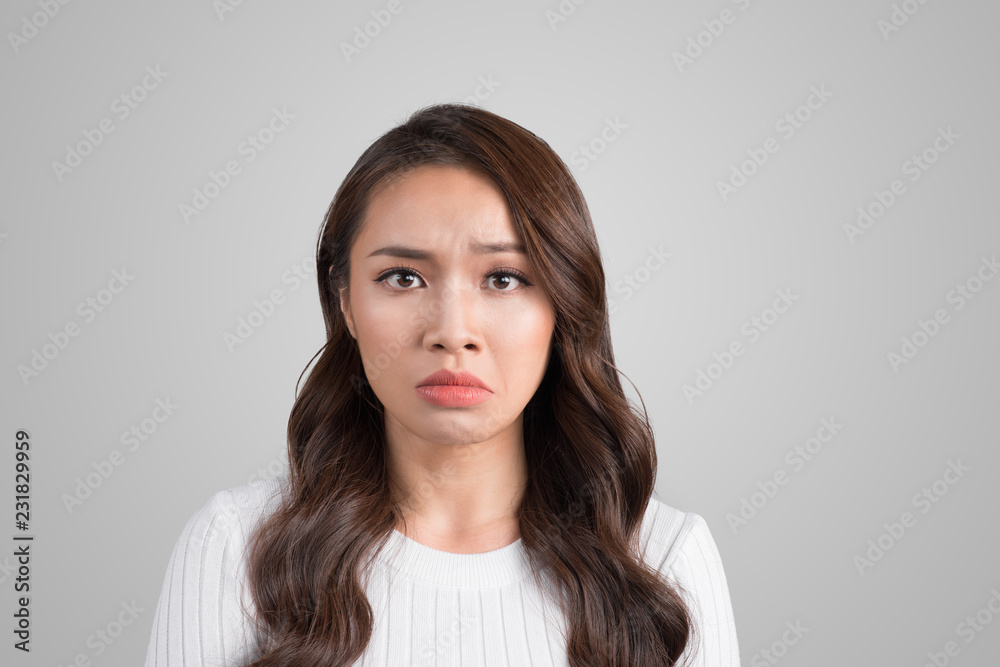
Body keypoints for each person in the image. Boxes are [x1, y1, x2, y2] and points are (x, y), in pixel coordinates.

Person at [144, 103, 740, 666]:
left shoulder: (664, 559)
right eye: (402, 278)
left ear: (563, 304)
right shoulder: (237, 550)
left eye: (504, 279)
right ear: (345, 301)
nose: (453, 333)